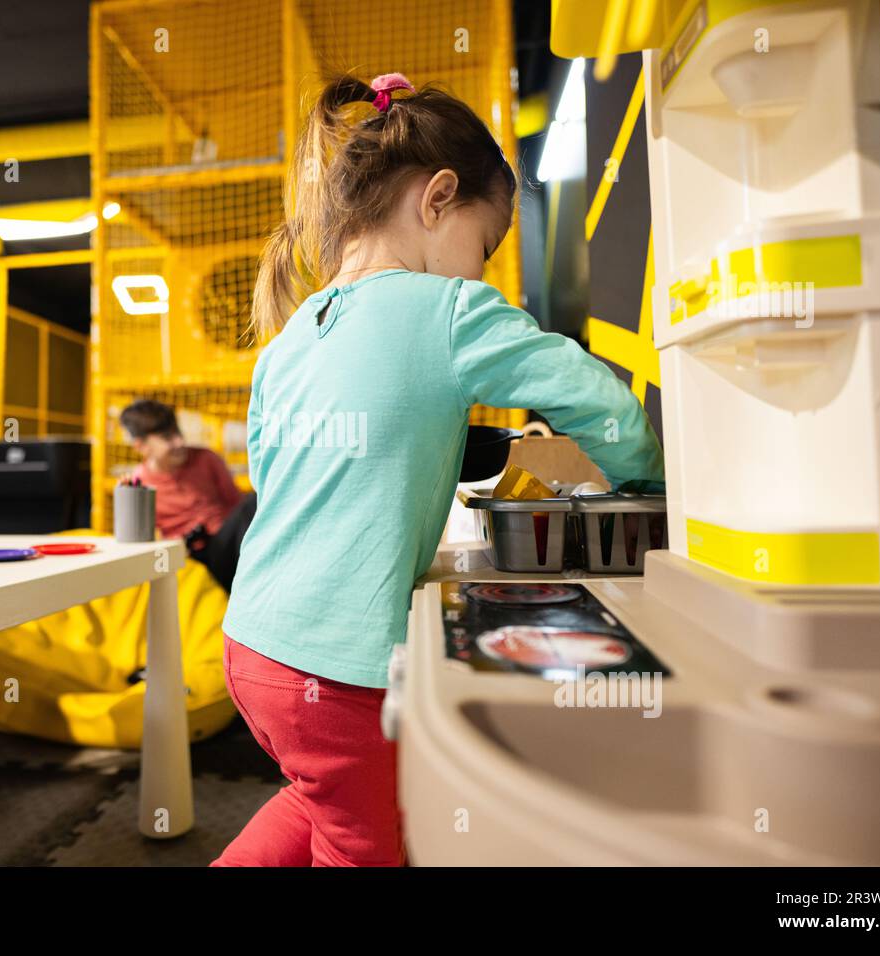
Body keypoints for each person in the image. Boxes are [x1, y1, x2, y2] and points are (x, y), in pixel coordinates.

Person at [211, 74, 666, 867]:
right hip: (335, 669)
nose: (482, 271)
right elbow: (605, 405)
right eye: (484, 245)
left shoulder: (290, 337)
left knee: (322, 794)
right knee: (367, 847)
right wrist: (647, 488)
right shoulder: (449, 310)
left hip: (253, 645)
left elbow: (288, 472)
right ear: (438, 197)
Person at [121, 398, 255, 591]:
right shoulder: (139, 484)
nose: (179, 442)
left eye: (178, 432)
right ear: (141, 446)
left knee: (252, 503)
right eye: (167, 438)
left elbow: (235, 503)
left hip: (226, 544)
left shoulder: (206, 459)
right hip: (187, 556)